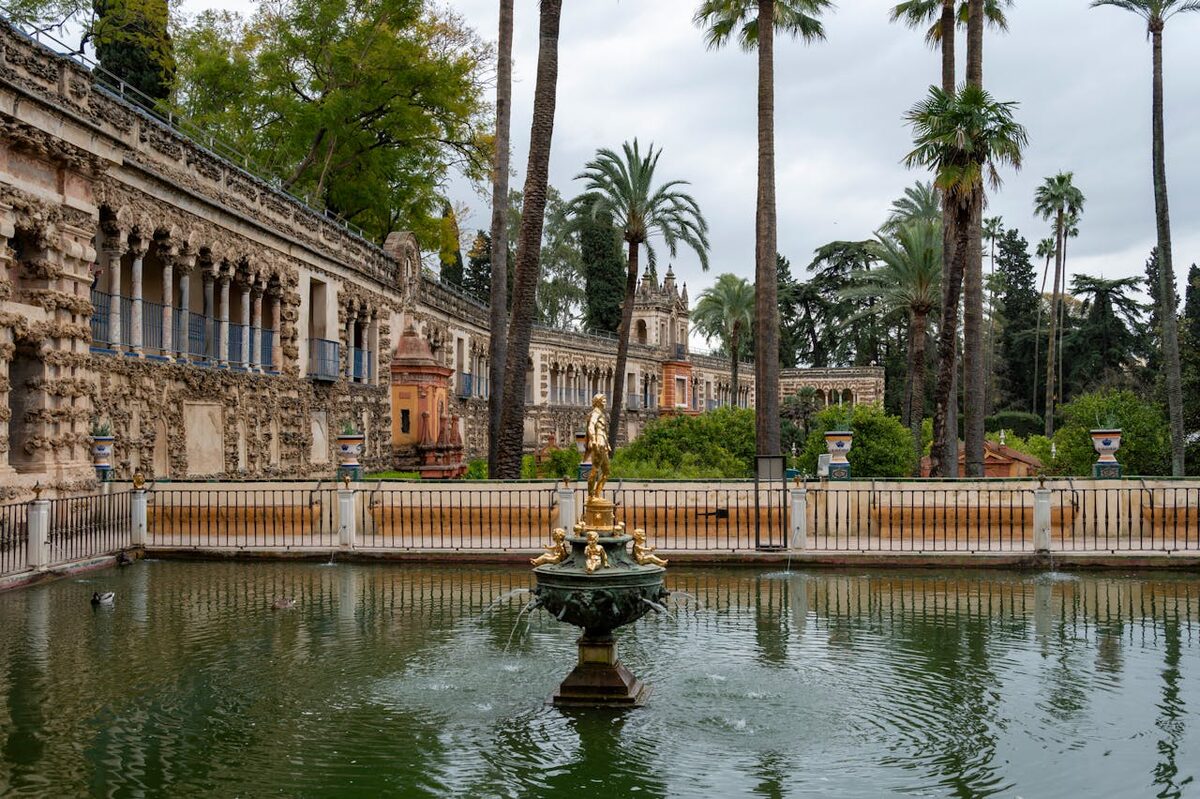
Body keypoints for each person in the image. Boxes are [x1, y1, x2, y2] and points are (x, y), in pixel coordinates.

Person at [586, 393, 610, 499]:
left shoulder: (601, 414)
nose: (605, 403)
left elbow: (604, 431)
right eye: (603, 401)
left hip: (603, 444)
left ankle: (597, 494)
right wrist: (594, 440)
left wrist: (607, 444)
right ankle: (591, 495)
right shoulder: (595, 413)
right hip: (598, 443)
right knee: (595, 470)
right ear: (598, 402)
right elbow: (591, 427)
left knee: (606, 472)